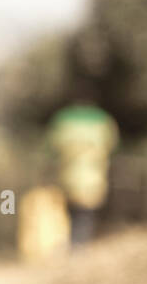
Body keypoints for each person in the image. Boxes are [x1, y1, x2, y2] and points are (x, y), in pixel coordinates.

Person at [46, 100, 119, 248]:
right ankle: (78, 247)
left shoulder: (64, 123)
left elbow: (52, 147)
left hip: (67, 180)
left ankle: (72, 246)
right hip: (93, 181)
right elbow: (113, 145)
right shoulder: (102, 124)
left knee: (71, 216)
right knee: (84, 217)